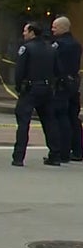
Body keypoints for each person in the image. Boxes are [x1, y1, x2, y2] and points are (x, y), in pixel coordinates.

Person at [13, 22, 60, 167]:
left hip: (30, 89)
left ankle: (19, 157)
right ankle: (55, 155)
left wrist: (19, 86)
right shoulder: (51, 48)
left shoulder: (26, 49)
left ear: (32, 32)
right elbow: (57, 70)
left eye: (25, 31)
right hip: (46, 88)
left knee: (23, 122)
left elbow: (19, 71)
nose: (24, 34)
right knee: (49, 122)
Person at [51, 16, 82, 162]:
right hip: (74, 83)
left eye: (55, 27)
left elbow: (54, 64)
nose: (52, 29)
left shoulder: (58, 44)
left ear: (63, 28)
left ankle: (63, 151)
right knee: (73, 118)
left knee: (61, 116)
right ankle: (78, 150)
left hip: (61, 84)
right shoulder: (76, 44)